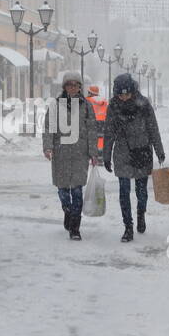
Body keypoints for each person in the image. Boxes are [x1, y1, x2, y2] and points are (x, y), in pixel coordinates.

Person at [103, 72, 165, 242]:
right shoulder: (113, 107)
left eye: (127, 93)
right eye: (120, 94)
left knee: (141, 192)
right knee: (124, 192)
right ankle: (128, 227)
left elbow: (153, 129)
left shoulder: (144, 105)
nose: (123, 97)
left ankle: (140, 214)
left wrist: (159, 150)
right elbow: (108, 133)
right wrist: (106, 155)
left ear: (133, 90)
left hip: (142, 151)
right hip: (122, 153)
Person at [43, 71, 99, 240]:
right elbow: (48, 127)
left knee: (76, 190)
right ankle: (67, 211)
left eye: (75, 84)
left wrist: (93, 153)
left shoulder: (87, 106)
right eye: (69, 84)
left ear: (80, 87)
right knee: (62, 190)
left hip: (79, 154)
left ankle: (75, 226)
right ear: (64, 87)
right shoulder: (55, 105)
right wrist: (48, 147)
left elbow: (92, 131)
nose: (72, 87)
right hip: (61, 153)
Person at [87, 84, 109, 153]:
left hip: (92, 122)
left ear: (90, 93)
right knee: (101, 138)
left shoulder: (87, 100)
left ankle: (93, 154)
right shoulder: (104, 101)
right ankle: (100, 153)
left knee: (91, 138)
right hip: (103, 122)